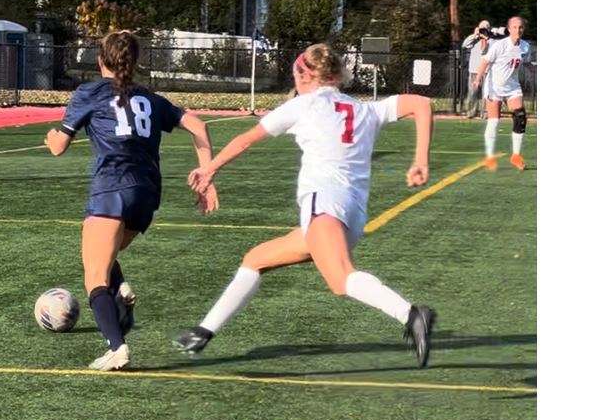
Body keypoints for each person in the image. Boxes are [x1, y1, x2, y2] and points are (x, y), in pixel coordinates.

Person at [173, 43, 438, 369]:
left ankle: (413, 315)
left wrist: (209, 169)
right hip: (351, 214)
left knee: (341, 280)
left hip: (324, 206)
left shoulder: (304, 105)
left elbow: (244, 140)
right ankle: (202, 333)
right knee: (255, 259)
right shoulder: (366, 108)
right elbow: (422, 105)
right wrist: (421, 159)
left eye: (297, 74)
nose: (294, 81)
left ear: (307, 75)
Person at [45, 30, 220, 371]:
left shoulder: (89, 92)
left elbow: (58, 147)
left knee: (94, 272)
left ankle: (117, 348)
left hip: (112, 186)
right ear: (135, 62)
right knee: (103, 255)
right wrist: (206, 175)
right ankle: (120, 287)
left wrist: (52, 137)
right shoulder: (151, 99)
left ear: (100, 61)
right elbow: (198, 126)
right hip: (147, 192)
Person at [472, 16, 532, 170]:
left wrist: (535, 69)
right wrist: (478, 79)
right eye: (514, 27)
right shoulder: (500, 45)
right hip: (494, 87)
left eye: (521, 27)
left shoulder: (525, 46)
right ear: (509, 28)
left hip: (512, 87)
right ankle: (489, 156)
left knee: (520, 118)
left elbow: (526, 63)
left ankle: (516, 156)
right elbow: (485, 62)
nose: (518, 30)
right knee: (494, 121)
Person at [460, 20, 504, 118]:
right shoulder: (474, 40)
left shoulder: (493, 41)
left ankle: (485, 114)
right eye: (482, 28)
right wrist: (474, 35)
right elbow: (464, 45)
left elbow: (496, 49)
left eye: (485, 28)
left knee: (486, 93)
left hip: (487, 71)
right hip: (474, 71)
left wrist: (487, 37)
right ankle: (470, 113)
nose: (483, 30)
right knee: (472, 92)